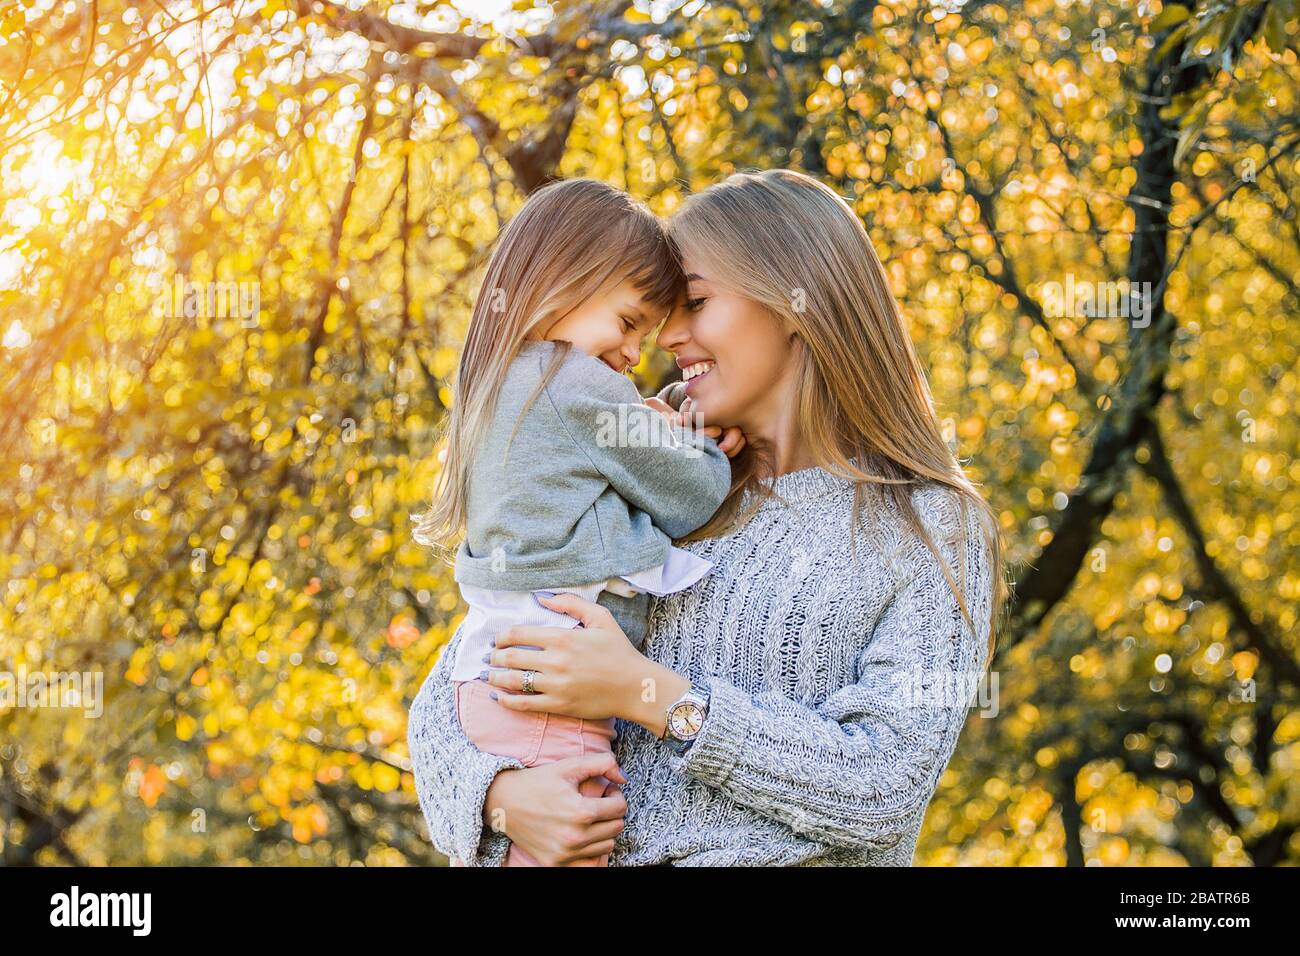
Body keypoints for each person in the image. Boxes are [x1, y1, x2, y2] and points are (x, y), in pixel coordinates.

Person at [407, 168, 1005, 866]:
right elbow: (448, 699)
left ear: (793, 302)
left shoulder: (927, 526)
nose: (668, 338)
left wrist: (651, 695)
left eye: (693, 302)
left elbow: (884, 786)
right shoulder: (651, 489)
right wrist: (501, 799)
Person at [408, 178, 742, 865]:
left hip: (497, 689)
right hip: (552, 708)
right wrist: (701, 437)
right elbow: (693, 495)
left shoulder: (502, 383)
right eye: (626, 324)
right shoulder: (574, 382)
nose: (631, 355)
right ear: (561, 283)